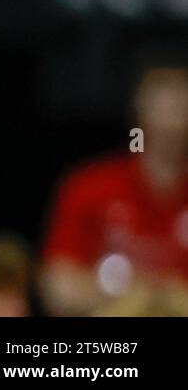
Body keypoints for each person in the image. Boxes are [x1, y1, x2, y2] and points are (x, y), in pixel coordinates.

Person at [40, 49, 188, 316]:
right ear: (138, 107)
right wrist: (131, 296)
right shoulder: (90, 185)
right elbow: (57, 287)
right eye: (162, 104)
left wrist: (172, 299)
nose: (172, 119)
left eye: (181, 104)